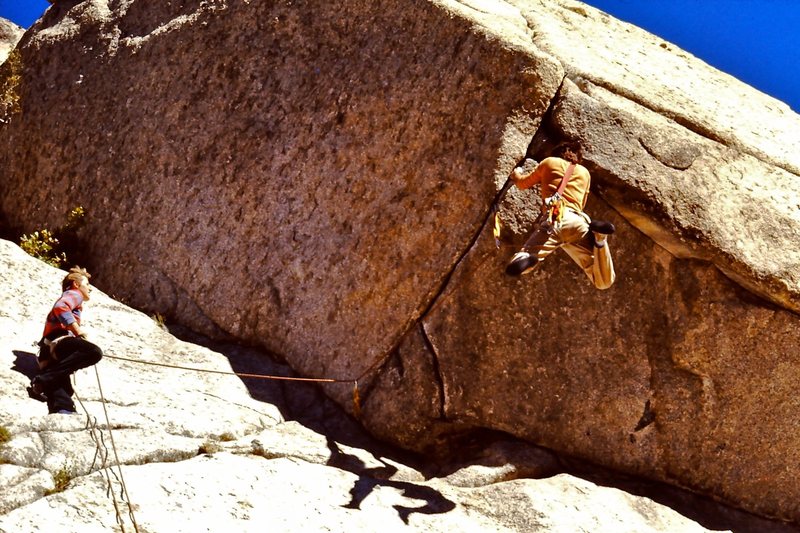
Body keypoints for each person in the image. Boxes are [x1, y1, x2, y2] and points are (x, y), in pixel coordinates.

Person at [505, 143, 616, 289]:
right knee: (603, 282)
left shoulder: (549, 162)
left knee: (527, 254)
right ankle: (600, 240)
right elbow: (581, 203)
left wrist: (516, 175)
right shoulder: (584, 173)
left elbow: (523, 183)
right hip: (578, 222)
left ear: (557, 153)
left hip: (554, 221)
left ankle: (526, 258)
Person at [29, 266, 103, 414]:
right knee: (93, 352)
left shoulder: (74, 295)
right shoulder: (75, 294)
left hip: (46, 351)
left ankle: (64, 409)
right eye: (87, 284)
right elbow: (61, 306)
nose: (90, 289)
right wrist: (77, 330)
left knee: (62, 383)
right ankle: (43, 378)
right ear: (76, 284)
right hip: (58, 341)